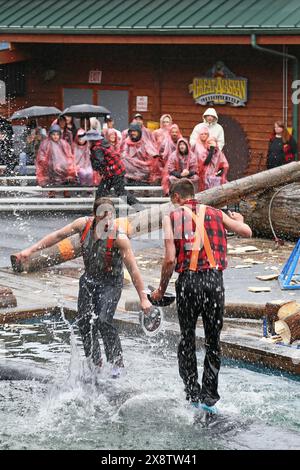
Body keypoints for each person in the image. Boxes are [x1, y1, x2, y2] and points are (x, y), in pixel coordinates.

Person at [17, 197, 152, 377]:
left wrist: (143, 298)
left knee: (103, 320)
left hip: (111, 284)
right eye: (103, 217)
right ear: (94, 216)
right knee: (84, 321)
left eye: (110, 216)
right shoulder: (83, 225)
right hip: (89, 281)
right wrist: (31, 250)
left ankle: (116, 365)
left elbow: (134, 270)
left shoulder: (119, 239)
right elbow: (57, 235)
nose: (107, 221)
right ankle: (94, 362)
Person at [150, 179, 252, 413]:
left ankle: (192, 393)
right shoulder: (215, 213)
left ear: (176, 197)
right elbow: (246, 232)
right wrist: (240, 220)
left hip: (188, 284)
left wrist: (160, 289)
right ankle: (210, 398)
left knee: (187, 338)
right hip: (214, 283)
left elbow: (169, 259)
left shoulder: (172, 218)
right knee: (213, 341)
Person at [85, 129, 145, 210]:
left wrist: (93, 162)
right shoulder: (103, 144)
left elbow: (100, 163)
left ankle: (98, 212)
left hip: (113, 173)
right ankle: (139, 207)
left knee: (107, 193)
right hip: (115, 172)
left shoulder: (97, 149)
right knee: (106, 193)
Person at [35, 124, 77, 189]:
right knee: (51, 179)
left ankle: (66, 191)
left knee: (65, 177)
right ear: (50, 134)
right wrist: (45, 162)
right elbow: (41, 154)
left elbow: (69, 155)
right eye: (53, 134)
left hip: (63, 166)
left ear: (60, 135)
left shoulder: (64, 143)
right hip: (50, 166)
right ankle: (52, 192)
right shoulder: (45, 143)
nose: (55, 136)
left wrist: (68, 164)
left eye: (57, 134)